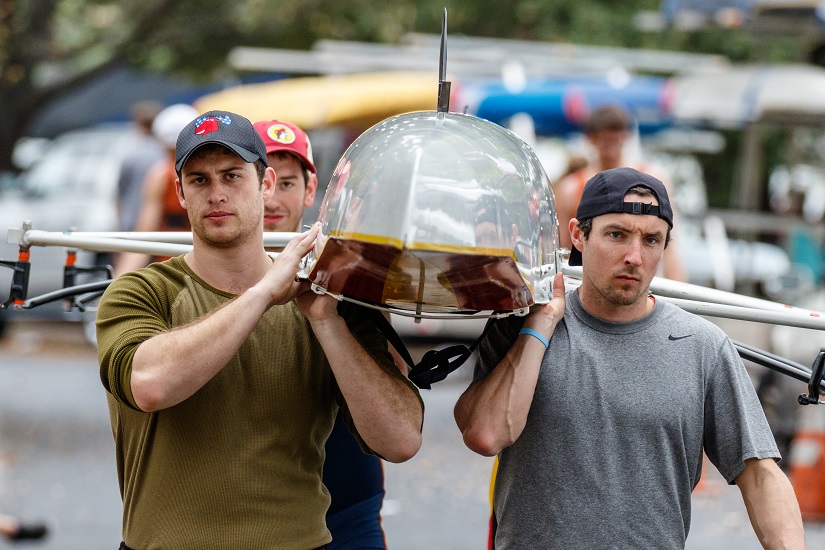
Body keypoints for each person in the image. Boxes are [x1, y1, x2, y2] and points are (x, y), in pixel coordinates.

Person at [96, 110, 424, 549]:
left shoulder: (324, 301)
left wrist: (326, 321)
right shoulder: (140, 292)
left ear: (265, 183)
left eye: (232, 176)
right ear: (180, 193)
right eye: (199, 180)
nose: (216, 193)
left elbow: (400, 440)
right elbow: (151, 385)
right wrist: (263, 293)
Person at [454, 167, 805, 549]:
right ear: (578, 235)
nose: (635, 257)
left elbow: (762, 477)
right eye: (617, 235)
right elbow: (485, 434)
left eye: (651, 240)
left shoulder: (701, 345)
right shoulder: (524, 322)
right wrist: (540, 326)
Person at [252, 118, 387, 549]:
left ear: (310, 190)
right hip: (249, 515)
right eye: (261, 182)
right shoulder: (196, 274)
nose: (272, 198)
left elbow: (395, 404)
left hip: (350, 504)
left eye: (287, 183)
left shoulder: (344, 270)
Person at [553, 104, 687, 281]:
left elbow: (669, 245)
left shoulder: (653, 180)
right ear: (591, 139)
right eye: (606, 142)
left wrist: (677, 290)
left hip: (636, 281)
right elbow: (563, 251)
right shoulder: (571, 188)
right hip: (590, 284)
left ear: (626, 137)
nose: (612, 150)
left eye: (617, 141)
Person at [114, 103, 199, 276]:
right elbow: (144, 236)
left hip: (185, 271)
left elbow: (143, 237)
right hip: (175, 272)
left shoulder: (161, 174)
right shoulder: (161, 175)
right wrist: (117, 282)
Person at [116, 100, 165, 233]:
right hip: (162, 226)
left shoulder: (131, 156)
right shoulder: (166, 155)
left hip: (132, 223)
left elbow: (120, 196)